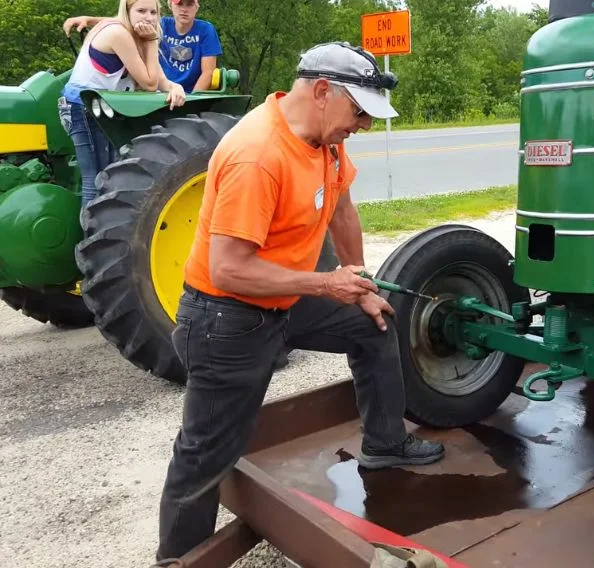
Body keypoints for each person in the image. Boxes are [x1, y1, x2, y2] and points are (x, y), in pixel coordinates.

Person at [153, 42, 445, 562]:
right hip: (226, 318)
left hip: (284, 298)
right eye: (359, 112)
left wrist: (358, 281)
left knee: (372, 323)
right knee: (205, 452)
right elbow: (229, 268)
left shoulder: (325, 140)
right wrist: (325, 284)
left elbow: (343, 209)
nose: (364, 126)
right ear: (322, 91)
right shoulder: (257, 155)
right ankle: (178, 558)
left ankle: (384, 443)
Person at [59, 0, 186, 210]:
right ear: (127, 12)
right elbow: (149, 83)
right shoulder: (119, 34)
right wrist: (152, 41)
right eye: (141, 11)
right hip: (81, 107)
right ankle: (91, 242)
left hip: (101, 109)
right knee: (95, 180)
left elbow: (160, 81)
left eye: (153, 12)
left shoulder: (134, 36)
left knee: (109, 177)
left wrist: (175, 88)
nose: (149, 17)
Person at [64, 0, 223, 93]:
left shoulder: (205, 30)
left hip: (187, 92)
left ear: (197, 6)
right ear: (170, 5)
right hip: (159, 92)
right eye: (180, 4)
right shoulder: (161, 25)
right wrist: (89, 19)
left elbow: (208, 72)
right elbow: (128, 21)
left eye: (189, 4)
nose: (184, 9)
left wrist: (192, 101)